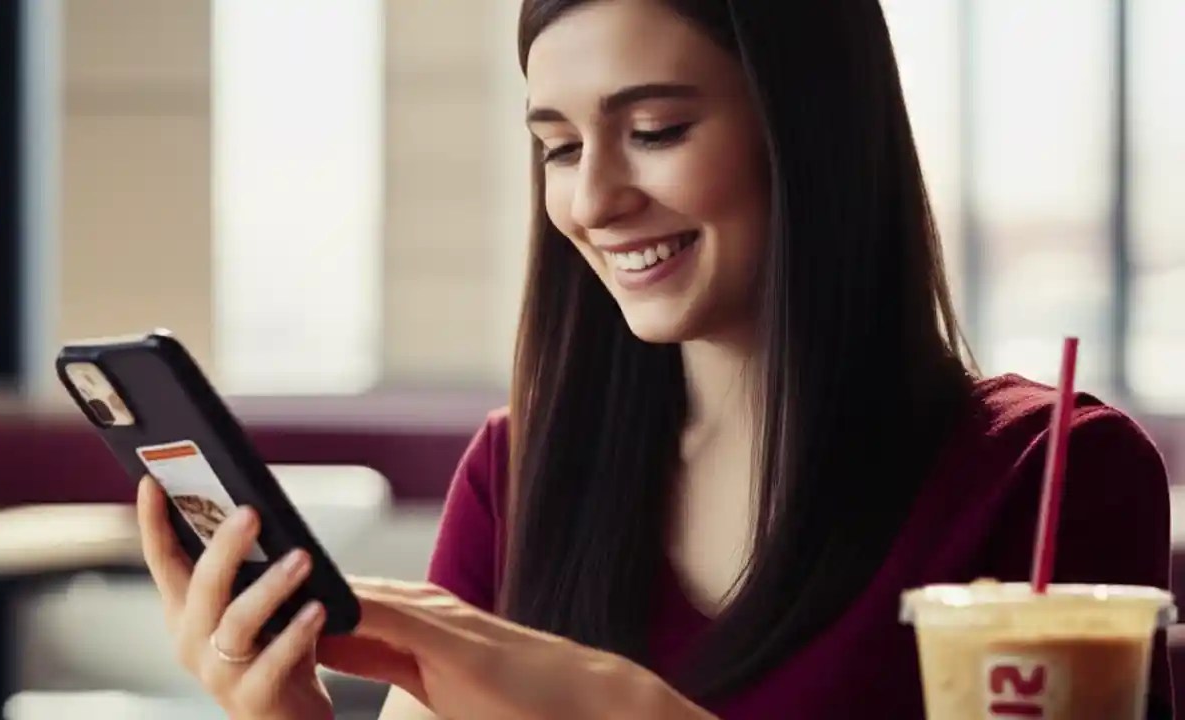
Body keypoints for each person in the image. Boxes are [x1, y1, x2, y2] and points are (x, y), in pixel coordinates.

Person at [137, 0, 1174, 717]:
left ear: (807, 130)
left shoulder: (1047, 473)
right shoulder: (519, 470)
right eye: (558, 145)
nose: (590, 201)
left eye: (654, 128)